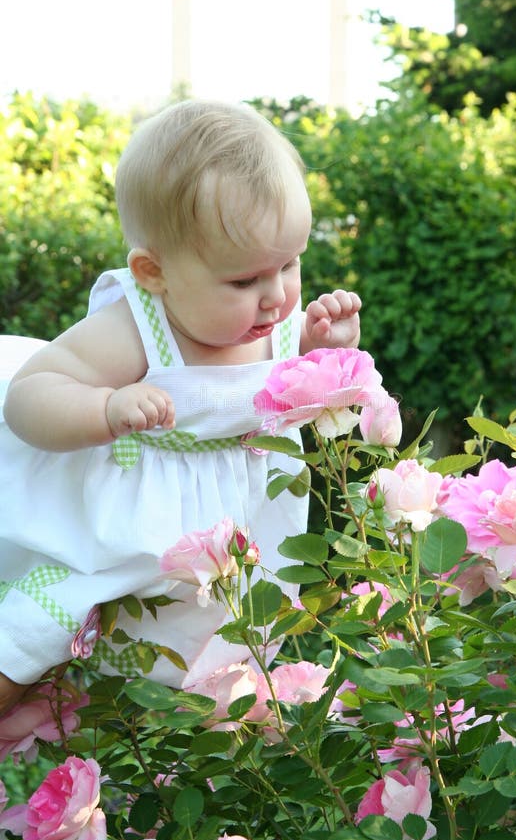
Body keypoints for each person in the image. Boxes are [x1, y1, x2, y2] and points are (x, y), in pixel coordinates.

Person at [0, 99, 361, 715]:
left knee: (219, 679)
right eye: (244, 282)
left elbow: (315, 390)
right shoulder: (137, 328)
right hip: (113, 538)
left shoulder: (275, 326)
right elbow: (29, 397)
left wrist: (325, 351)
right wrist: (106, 406)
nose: (276, 297)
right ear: (154, 273)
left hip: (235, 551)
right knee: (32, 631)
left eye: (290, 265)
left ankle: (185, 775)